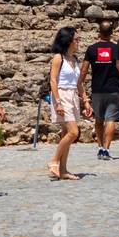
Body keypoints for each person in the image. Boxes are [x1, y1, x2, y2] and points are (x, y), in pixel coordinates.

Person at [48, 26, 87, 181]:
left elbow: (79, 83)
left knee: (66, 134)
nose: (78, 42)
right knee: (73, 132)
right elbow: (53, 80)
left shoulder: (75, 59)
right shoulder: (59, 58)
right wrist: (58, 102)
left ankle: (63, 170)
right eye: (76, 39)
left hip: (73, 96)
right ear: (68, 41)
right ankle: (54, 161)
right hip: (62, 95)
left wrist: (85, 99)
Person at [80, 18, 119, 160]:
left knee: (98, 119)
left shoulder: (91, 49)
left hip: (97, 89)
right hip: (113, 88)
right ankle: (106, 149)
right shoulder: (116, 48)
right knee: (111, 119)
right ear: (111, 33)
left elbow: (84, 69)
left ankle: (99, 146)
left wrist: (80, 83)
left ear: (99, 32)